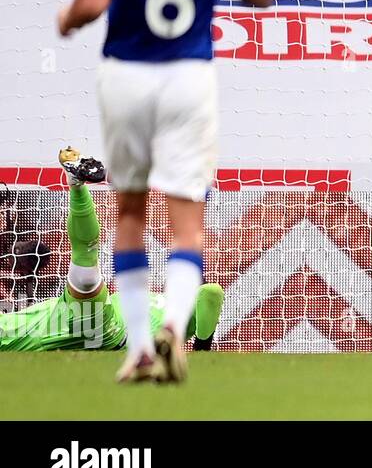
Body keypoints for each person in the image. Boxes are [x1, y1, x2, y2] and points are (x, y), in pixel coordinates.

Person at [56, 0, 272, 382]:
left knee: (129, 212)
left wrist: (66, 18)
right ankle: (174, 325)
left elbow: (93, 0)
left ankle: (139, 350)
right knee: (186, 221)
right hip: (187, 80)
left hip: (126, 76)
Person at [0, 148, 224, 360]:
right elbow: (210, 292)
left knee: (86, 265)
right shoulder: (169, 309)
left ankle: (77, 187)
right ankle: (77, 186)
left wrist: (201, 348)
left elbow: (211, 293)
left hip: (102, 327)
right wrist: (201, 351)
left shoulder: (187, 309)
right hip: (84, 324)